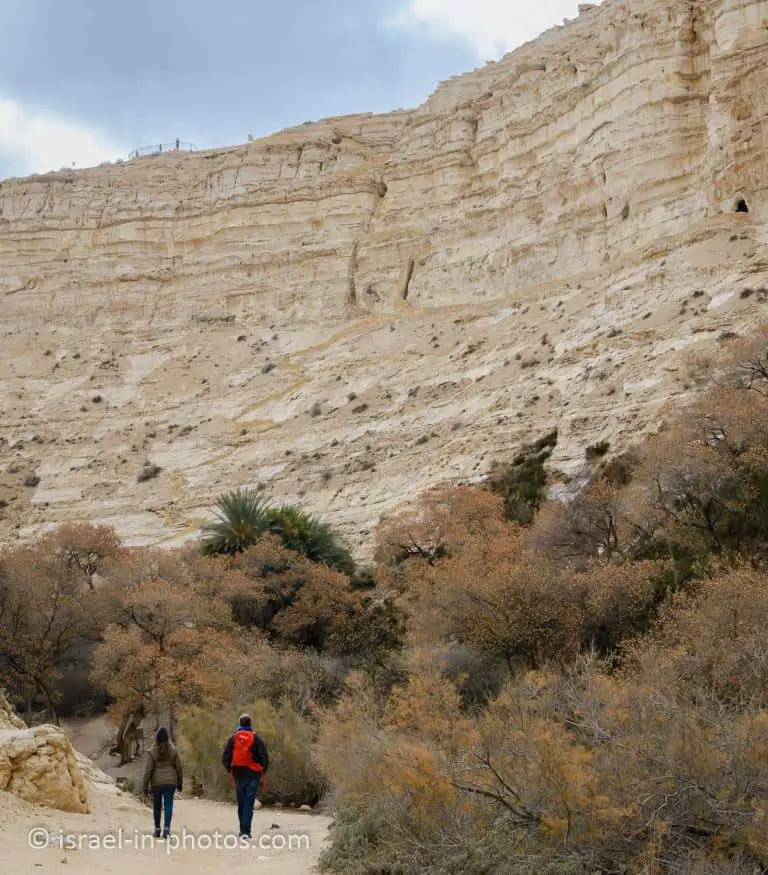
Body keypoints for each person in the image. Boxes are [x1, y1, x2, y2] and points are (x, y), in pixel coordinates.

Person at [221, 713, 269, 838]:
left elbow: (225, 758)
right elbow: (265, 758)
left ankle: (242, 830)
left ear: (240, 723)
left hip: (238, 775)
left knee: (241, 803)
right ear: (250, 723)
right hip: (253, 775)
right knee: (249, 803)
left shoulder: (233, 738)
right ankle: (246, 832)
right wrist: (261, 772)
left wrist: (231, 770)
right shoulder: (256, 738)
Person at [142, 726, 183, 838]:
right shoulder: (173, 751)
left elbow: (148, 771)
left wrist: (145, 787)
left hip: (156, 783)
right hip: (170, 783)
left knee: (157, 807)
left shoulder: (152, 752)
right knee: (168, 805)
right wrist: (180, 783)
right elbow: (179, 768)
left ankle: (157, 830)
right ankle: (167, 830)